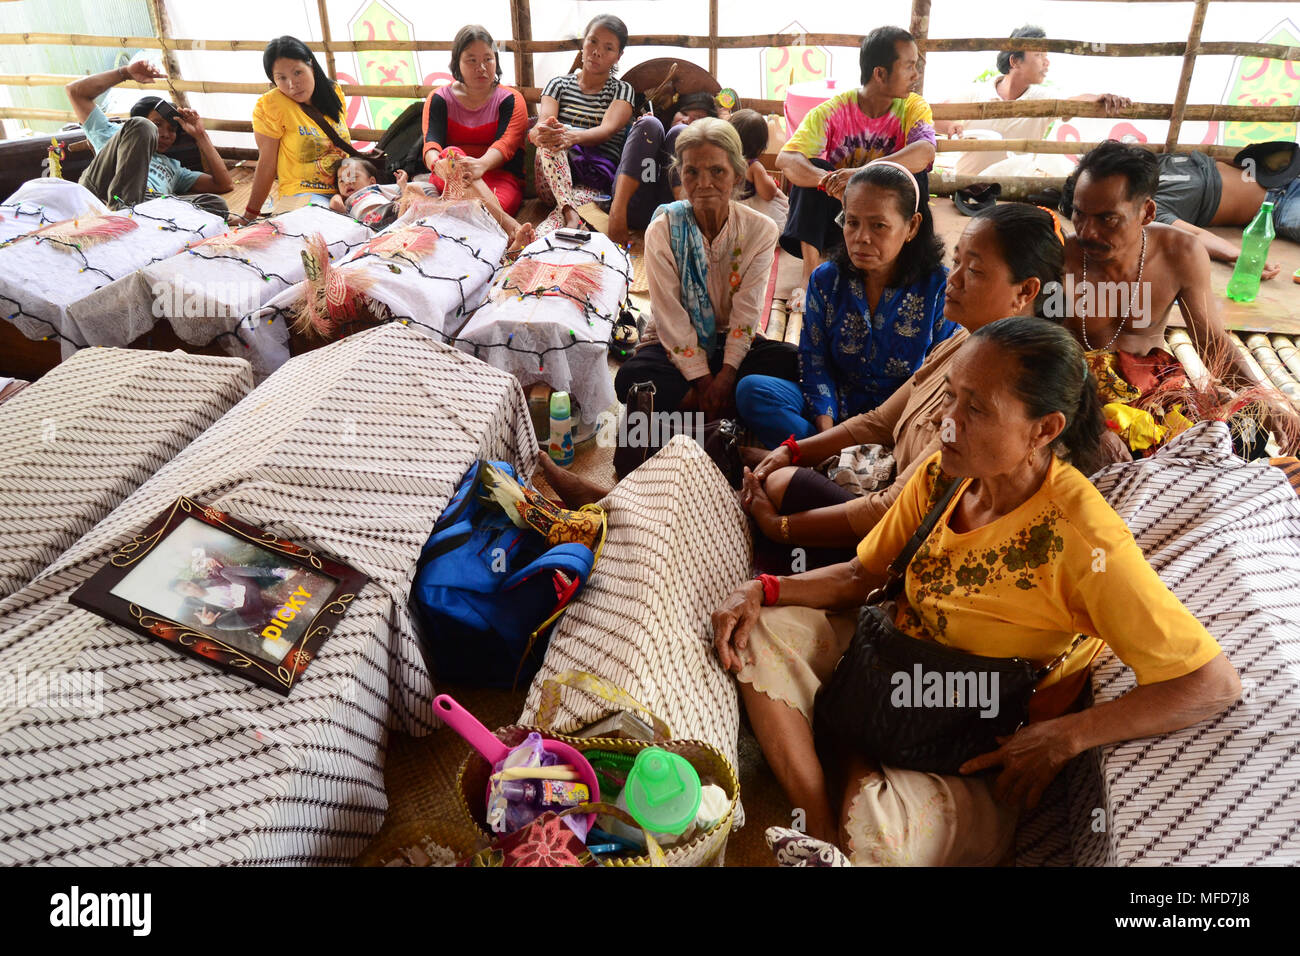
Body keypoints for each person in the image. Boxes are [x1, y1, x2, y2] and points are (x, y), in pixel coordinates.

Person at [712, 316, 1241, 864]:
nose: (946, 423)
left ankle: (853, 762)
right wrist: (764, 588)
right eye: (951, 398)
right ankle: (817, 817)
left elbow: (1210, 682)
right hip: (889, 667)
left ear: (1044, 429)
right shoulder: (944, 474)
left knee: (879, 838)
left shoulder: (1085, 538)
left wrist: (1065, 737)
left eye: (976, 409)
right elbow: (858, 577)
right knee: (762, 629)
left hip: (971, 739)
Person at [743, 203, 1118, 574]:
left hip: (915, 537)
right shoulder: (962, 342)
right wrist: (792, 450)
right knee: (765, 459)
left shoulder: (1004, 393)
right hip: (885, 491)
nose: (952, 280)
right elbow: (877, 421)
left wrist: (782, 528)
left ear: (1026, 291)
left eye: (972, 271)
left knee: (776, 487)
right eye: (956, 263)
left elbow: (892, 510)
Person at [1060, 140, 1300, 455]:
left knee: (1246, 439)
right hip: (1079, 396)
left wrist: (1262, 400)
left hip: (1157, 397)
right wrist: (1091, 423)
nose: (1088, 231)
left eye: (1107, 219)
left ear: (1146, 212)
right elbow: (1036, 351)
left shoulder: (1181, 253)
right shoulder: (1062, 257)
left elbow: (1212, 342)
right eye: (1079, 214)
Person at [736, 162, 954, 448]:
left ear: (912, 226)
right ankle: (833, 459)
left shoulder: (938, 286)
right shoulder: (826, 280)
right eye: (852, 222)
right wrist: (827, 431)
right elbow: (815, 360)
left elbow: (937, 378)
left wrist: (882, 428)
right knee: (753, 391)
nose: (861, 237)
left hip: (900, 419)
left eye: (878, 225)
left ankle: (814, 460)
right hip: (835, 407)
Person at [612, 118, 798, 422]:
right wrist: (705, 382)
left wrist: (725, 374)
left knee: (794, 363)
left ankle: (695, 409)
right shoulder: (663, 230)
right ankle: (719, 408)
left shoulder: (760, 231)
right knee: (630, 377)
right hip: (671, 345)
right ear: (680, 175)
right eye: (692, 172)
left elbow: (747, 311)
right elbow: (670, 318)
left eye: (717, 171)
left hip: (734, 339)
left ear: (738, 176)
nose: (704, 183)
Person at [776, 26, 937, 307]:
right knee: (813, 167)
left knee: (917, 174)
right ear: (880, 73)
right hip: (844, 221)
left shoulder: (914, 107)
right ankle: (810, 277)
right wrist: (829, 181)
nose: (916, 75)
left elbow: (925, 151)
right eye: (909, 66)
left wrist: (863, 174)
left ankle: (908, 270)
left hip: (888, 224)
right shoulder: (833, 111)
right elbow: (786, 159)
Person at [935, 24, 1131, 178]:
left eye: (1046, 55)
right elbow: (935, 116)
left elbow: (1072, 102)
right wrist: (951, 125)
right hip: (968, 191)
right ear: (1015, 61)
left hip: (1015, 193)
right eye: (1038, 55)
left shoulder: (1043, 99)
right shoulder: (975, 93)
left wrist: (1099, 97)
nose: (1046, 62)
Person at [64, 60, 233, 217]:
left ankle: (133, 212)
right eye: (158, 124)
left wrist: (200, 135)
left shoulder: (174, 168)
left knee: (215, 204)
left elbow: (224, 184)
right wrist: (126, 72)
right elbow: (75, 92)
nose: (165, 134)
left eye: (172, 129)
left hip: (147, 203)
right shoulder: (112, 131)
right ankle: (123, 209)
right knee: (142, 126)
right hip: (102, 191)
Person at [421, 25, 531, 241]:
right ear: (457, 63)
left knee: (475, 210)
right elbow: (431, 144)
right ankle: (509, 225)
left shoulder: (511, 99)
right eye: (471, 60)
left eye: (488, 59)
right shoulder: (439, 98)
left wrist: (480, 165)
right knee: (452, 153)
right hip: (449, 177)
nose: (481, 67)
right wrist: (438, 166)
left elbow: (506, 145)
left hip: (500, 179)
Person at [531, 14, 635, 235]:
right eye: (593, 41)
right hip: (551, 177)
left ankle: (543, 235)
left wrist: (571, 137)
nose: (597, 51)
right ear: (583, 42)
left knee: (557, 222)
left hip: (593, 181)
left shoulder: (622, 90)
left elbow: (606, 131)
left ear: (618, 56)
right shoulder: (558, 84)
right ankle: (571, 214)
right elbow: (540, 126)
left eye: (608, 48)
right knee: (551, 137)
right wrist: (541, 135)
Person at [1148, 143, 1300, 280]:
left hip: (1280, 173)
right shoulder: (1149, 209)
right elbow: (1195, 235)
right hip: (1280, 205)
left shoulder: (1147, 164)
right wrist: (1241, 256)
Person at [242, 36, 352, 224]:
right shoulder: (271, 106)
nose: (292, 84)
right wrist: (249, 215)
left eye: (297, 73)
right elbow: (267, 164)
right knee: (318, 229)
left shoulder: (333, 92)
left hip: (348, 188)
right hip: (304, 194)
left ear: (311, 65)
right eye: (281, 78)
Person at [606, 91, 719, 245]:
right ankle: (616, 213)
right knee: (649, 124)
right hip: (634, 206)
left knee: (680, 133)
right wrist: (639, 129)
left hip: (671, 214)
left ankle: (691, 221)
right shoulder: (653, 129)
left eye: (697, 119)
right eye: (684, 113)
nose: (686, 120)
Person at [729, 108, 788, 231]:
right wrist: (771, 183)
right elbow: (768, 194)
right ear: (761, 145)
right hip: (751, 212)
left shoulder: (723, 161)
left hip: (730, 211)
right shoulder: (753, 166)